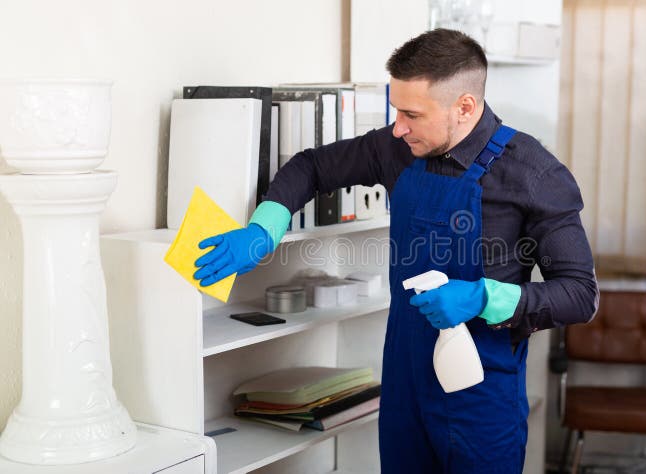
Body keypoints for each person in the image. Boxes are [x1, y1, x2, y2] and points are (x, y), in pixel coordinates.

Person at [194, 28, 598, 474]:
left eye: (411, 114)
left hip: (481, 396)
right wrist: (264, 228)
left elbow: (580, 294)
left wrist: (485, 297)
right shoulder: (399, 148)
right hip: (405, 383)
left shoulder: (535, 175)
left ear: (464, 107)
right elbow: (312, 166)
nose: (398, 127)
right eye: (396, 110)